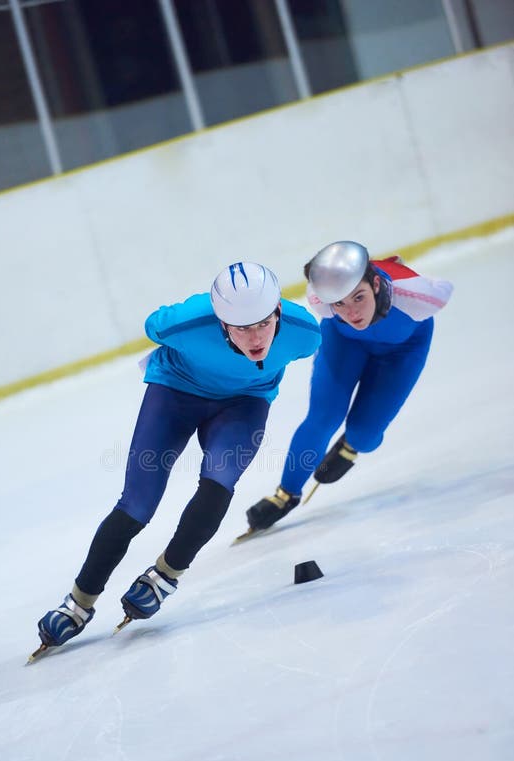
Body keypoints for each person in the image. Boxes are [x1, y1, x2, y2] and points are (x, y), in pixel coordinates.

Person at [35, 261, 321, 649]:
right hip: (175, 394)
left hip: (244, 404)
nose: (255, 337)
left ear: (279, 313)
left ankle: (165, 575)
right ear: (220, 322)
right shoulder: (184, 323)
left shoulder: (304, 334)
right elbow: (153, 324)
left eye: (264, 324)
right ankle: (78, 604)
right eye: (241, 327)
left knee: (219, 481)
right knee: (136, 504)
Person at [245, 240, 453, 534]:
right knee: (323, 417)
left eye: (358, 297)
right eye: (339, 303)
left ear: (377, 285)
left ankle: (351, 447)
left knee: (365, 434)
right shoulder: (319, 298)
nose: (352, 312)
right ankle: (285, 494)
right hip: (345, 344)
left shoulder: (421, 294)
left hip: (402, 351)